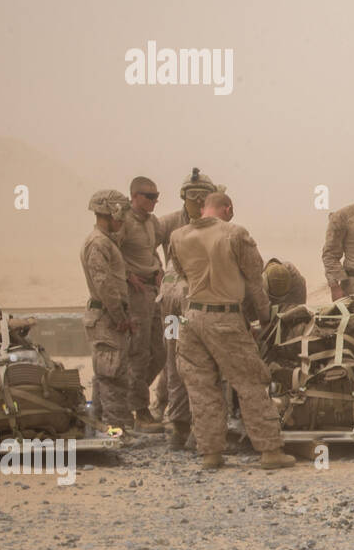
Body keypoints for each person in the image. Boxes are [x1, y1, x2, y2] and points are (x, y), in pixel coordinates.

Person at [169, 192, 296, 470]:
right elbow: (254, 281)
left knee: (202, 390)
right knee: (250, 382)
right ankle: (270, 451)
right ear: (227, 208)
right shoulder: (235, 234)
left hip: (191, 320)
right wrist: (264, 318)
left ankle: (211, 454)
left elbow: (181, 274)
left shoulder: (178, 236)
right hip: (224, 318)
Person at [155, 168, 221, 449]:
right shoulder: (180, 224)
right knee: (194, 361)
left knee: (176, 360)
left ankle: (181, 426)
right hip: (186, 300)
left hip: (175, 296)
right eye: (194, 196)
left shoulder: (191, 225)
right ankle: (189, 425)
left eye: (201, 196)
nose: (197, 200)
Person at [81, 190, 138, 430]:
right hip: (107, 317)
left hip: (107, 316)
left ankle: (99, 426)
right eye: (121, 213)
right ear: (112, 211)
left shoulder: (105, 241)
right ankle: (118, 431)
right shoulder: (99, 243)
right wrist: (119, 316)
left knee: (105, 374)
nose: (123, 219)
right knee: (113, 377)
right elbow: (103, 283)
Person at [119, 176, 167, 430]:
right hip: (135, 293)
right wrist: (127, 274)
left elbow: (152, 249)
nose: (154, 201)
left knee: (160, 351)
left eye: (156, 196)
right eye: (149, 197)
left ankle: (132, 397)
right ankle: (139, 411)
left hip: (152, 289)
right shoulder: (123, 221)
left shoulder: (152, 222)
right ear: (135, 196)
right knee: (138, 352)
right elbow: (113, 252)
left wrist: (158, 269)